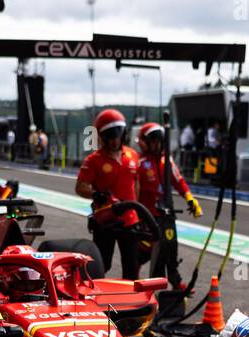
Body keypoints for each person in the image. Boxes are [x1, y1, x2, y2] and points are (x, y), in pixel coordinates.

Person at [76, 108, 142, 279]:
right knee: (102, 264)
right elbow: (80, 187)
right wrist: (96, 194)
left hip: (130, 220)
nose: (114, 141)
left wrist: (138, 209)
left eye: (117, 136)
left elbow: (136, 183)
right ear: (102, 137)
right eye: (110, 137)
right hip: (105, 220)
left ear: (123, 134)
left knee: (132, 267)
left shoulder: (133, 156)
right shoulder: (93, 160)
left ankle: (132, 302)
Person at [135, 122, 201, 219]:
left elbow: (179, 181)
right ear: (144, 142)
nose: (157, 145)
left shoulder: (167, 161)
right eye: (153, 142)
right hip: (144, 215)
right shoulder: (137, 162)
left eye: (159, 142)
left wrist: (190, 198)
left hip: (166, 213)